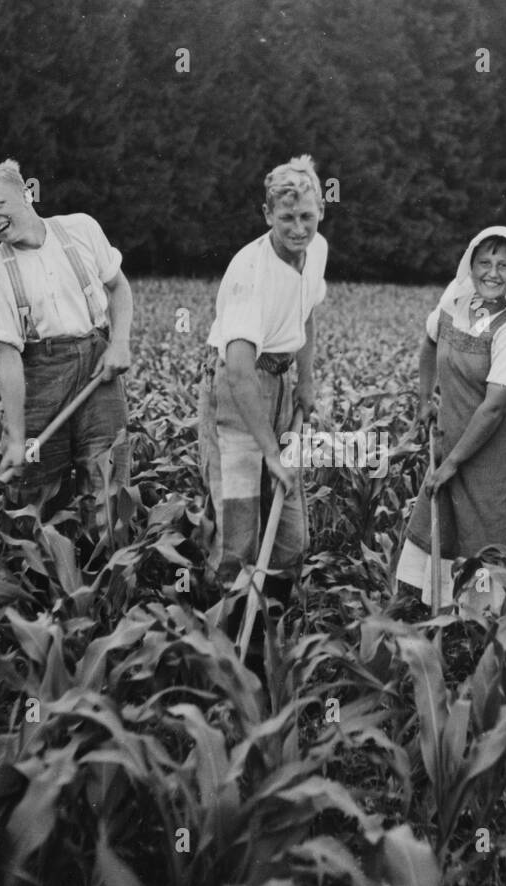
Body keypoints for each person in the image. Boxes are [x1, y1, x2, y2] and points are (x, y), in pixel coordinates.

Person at [197, 154, 326, 663]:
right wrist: (271, 449)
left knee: (291, 533)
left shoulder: (314, 251)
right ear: (267, 214)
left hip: (280, 385)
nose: (299, 228)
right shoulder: (250, 273)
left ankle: (270, 631)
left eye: (307, 217)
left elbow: (309, 310)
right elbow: (237, 369)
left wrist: (308, 380)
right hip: (237, 399)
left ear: (320, 211)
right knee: (240, 535)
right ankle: (230, 653)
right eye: (287, 217)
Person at [394, 226, 506, 607]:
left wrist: (451, 463)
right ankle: (445, 620)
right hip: (453, 442)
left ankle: (491, 633)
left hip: (497, 455)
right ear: (471, 263)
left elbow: (494, 406)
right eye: (484, 262)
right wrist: (424, 399)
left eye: (503, 264)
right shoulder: (454, 304)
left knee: (496, 544)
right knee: (448, 534)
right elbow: (429, 343)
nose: (492, 272)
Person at [0, 158, 132, 512]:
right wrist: (14, 436)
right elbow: (8, 358)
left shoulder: (80, 229)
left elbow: (119, 288)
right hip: (39, 378)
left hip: (96, 370)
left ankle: (107, 564)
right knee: (33, 491)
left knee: (109, 482)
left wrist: (119, 344)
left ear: (26, 195)